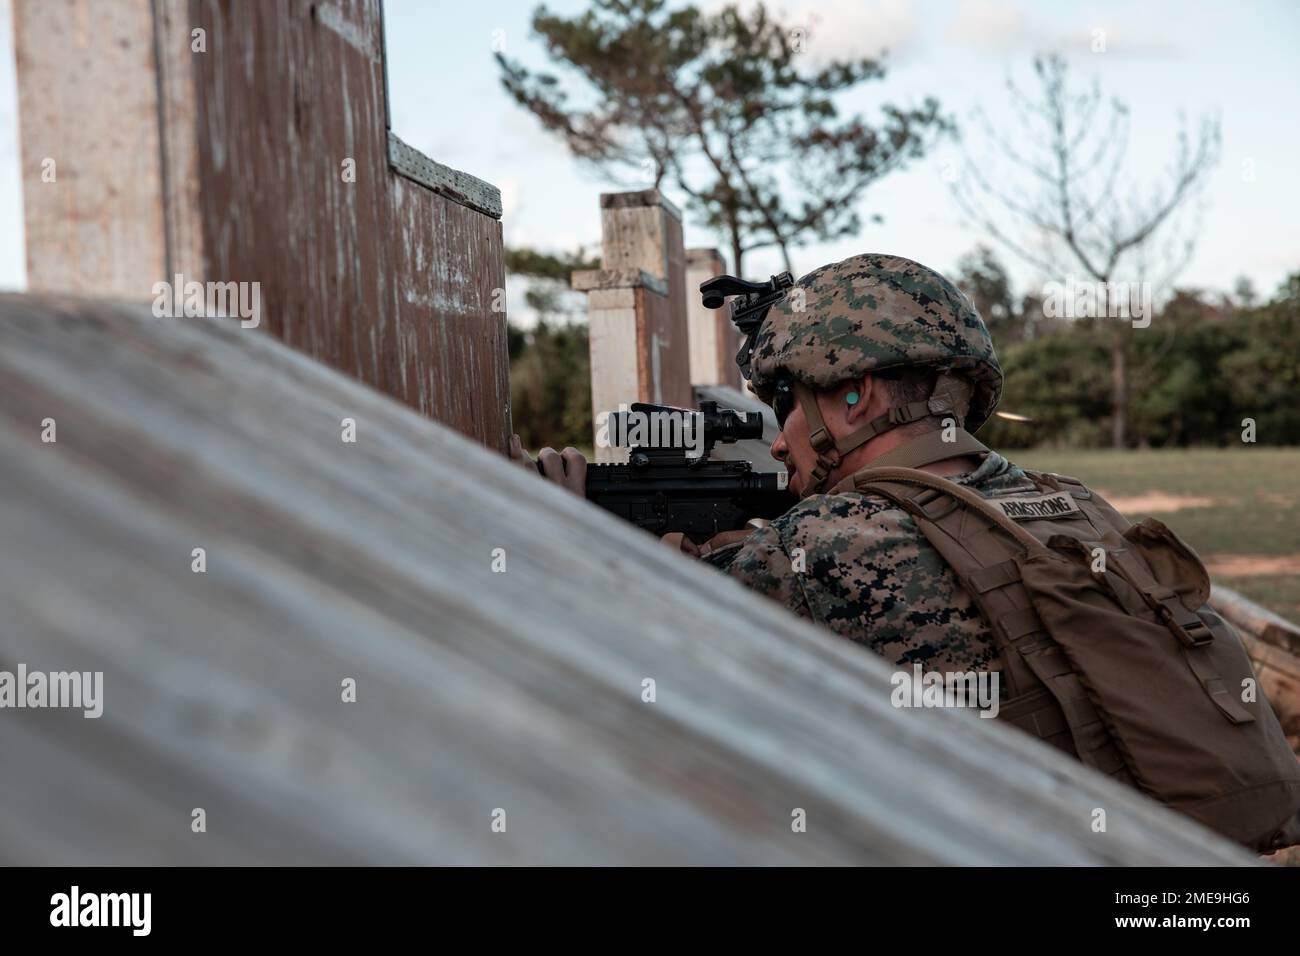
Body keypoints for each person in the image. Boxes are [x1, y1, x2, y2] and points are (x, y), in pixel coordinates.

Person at [512, 253, 1020, 682]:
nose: (778, 444)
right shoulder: (1077, 507)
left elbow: (605, 661)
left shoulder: (812, 550)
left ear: (855, 395)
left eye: (785, 405)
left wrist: (560, 534)